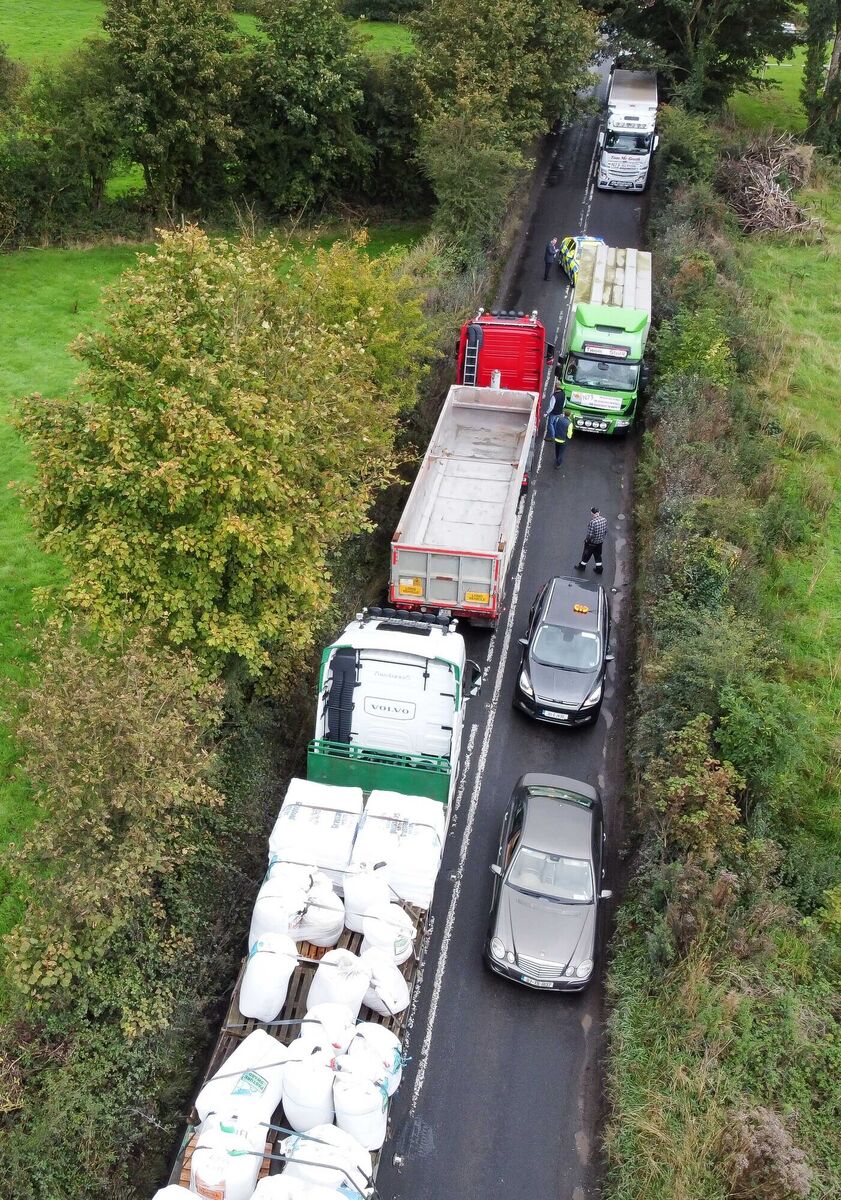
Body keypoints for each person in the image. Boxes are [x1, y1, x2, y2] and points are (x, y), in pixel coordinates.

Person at [575, 506, 607, 574]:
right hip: (600, 542)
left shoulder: (593, 522)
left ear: (592, 513)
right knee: (598, 555)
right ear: (599, 512)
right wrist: (601, 538)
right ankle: (599, 569)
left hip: (592, 543)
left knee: (586, 555)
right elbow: (605, 531)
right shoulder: (604, 519)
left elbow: (590, 535)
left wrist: (586, 540)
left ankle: (582, 567)